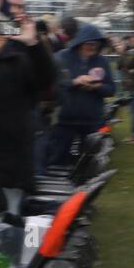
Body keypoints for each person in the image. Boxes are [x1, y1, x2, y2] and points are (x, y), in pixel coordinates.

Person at [0, 0, 57, 208]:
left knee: (7, 225)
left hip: (9, 165)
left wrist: (33, 43)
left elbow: (47, 81)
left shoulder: (18, 62)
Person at [50, 22, 115, 168]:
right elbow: (54, 85)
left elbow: (111, 89)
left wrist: (97, 87)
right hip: (66, 120)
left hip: (93, 120)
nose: (93, 47)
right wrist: (74, 82)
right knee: (57, 160)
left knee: (89, 162)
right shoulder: (62, 57)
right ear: (80, 41)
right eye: (89, 43)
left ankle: (82, 187)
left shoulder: (102, 61)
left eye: (96, 44)